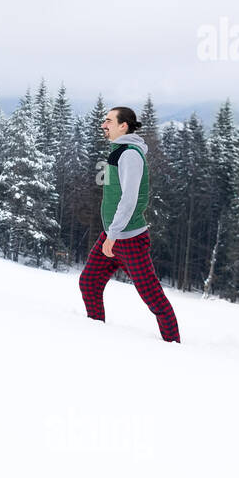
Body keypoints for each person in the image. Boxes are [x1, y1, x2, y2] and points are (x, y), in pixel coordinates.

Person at [78, 107, 180, 342]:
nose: (103, 125)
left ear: (123, 126)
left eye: (108, 121)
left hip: (129, 238)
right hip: (112, 235)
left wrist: (112, 234)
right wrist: (110, 234)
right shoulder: (118, 151)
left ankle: (174, 346)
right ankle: (96, 333)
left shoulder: (130, 155)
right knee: (89, 282)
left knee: (154, 300)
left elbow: (129, 198)